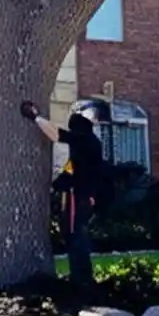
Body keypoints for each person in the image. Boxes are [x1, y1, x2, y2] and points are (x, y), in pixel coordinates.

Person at [19, 98, 109, 290]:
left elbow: (55, 134)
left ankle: (82, 281)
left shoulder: (85, 139)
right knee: (74, 234)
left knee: (76, 235)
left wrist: (35, 117)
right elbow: (73, 167)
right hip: (81, 195)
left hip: (79, 196)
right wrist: (60, 182)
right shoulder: (89, 141)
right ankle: (81, 278)